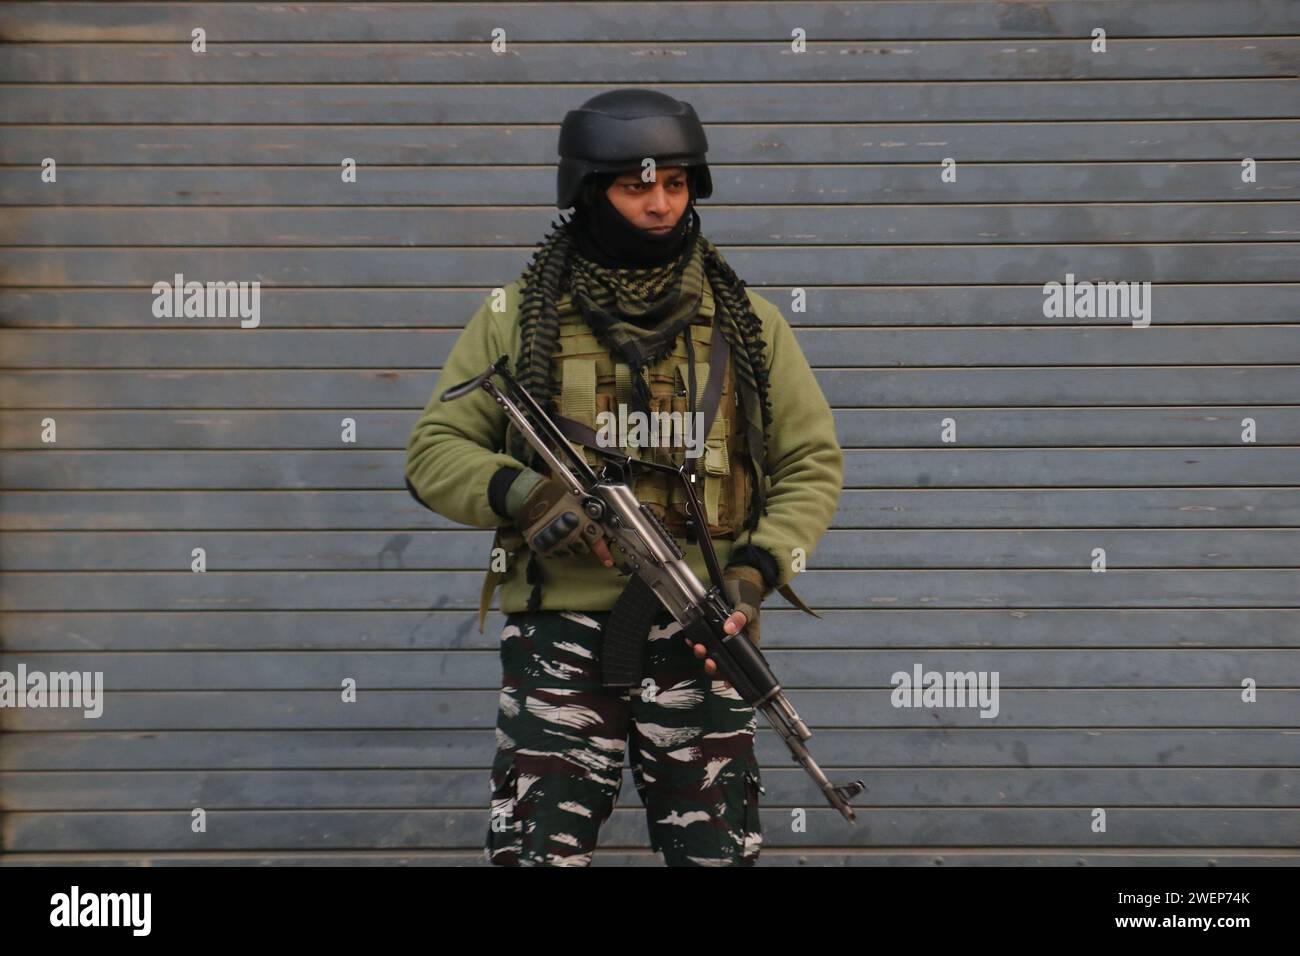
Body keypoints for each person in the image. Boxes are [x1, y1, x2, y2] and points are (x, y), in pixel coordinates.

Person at [405, 88, 843, 866]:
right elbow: (435, 449)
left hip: (706, 626)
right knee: (538, 851)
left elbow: (810, 465)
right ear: (588, 191)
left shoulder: (747, 323)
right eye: (636, 187)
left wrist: (754, 573)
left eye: (674, 184)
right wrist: (527, 494)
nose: (660, 204)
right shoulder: (519, 317)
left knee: (717, 852)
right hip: (559, 634)